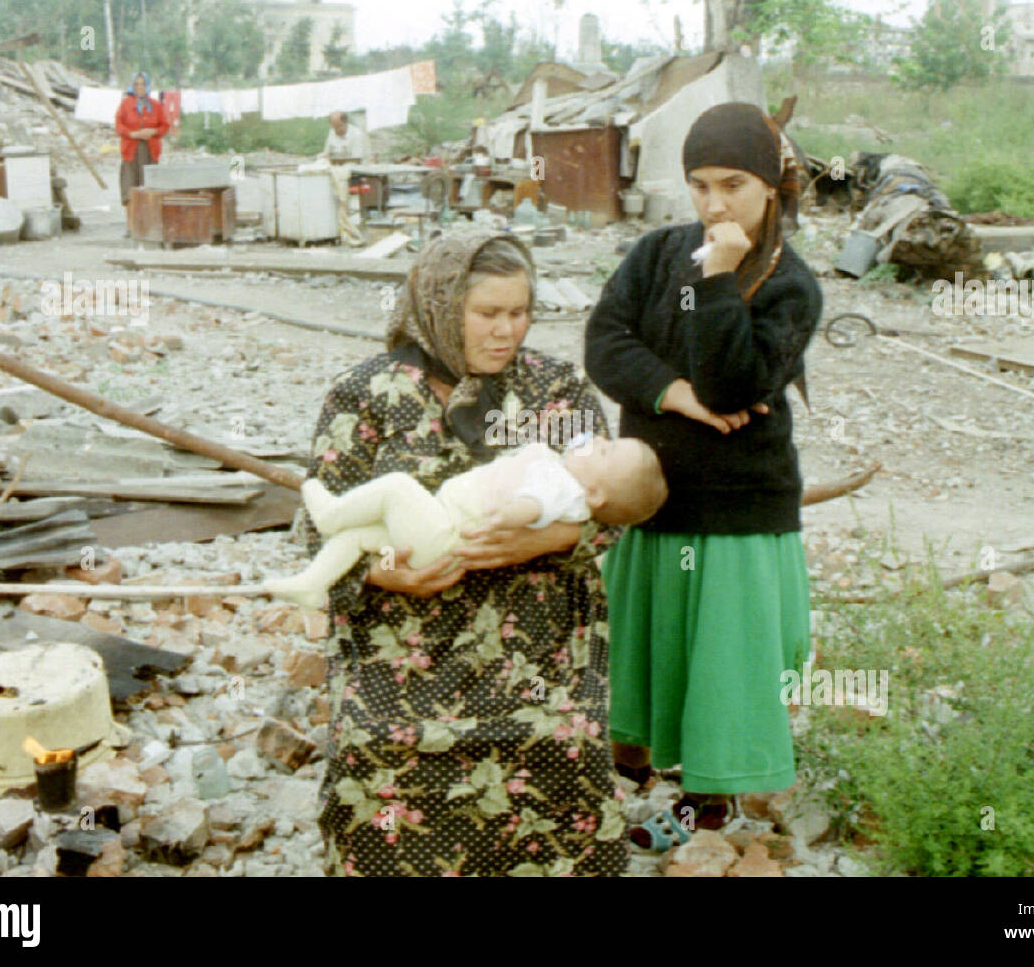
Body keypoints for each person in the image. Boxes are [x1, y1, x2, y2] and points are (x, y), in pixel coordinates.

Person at [303, 228, 630, 876]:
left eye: (519, 312)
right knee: (373, 760)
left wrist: (545, 535)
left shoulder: (556, 391)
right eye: (487, 313)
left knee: (566, 747)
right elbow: (319, 531)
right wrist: (397, 577)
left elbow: (615, 506)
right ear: (441, 305)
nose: (506, 330)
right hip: (403, 652)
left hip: (536, 651)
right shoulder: (366, 394)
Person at [583, 102, 822, 851]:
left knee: (722, 655)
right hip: (655, 492)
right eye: (699, 185)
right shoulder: (657, 255)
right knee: (648, 644)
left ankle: (707, 804)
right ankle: (628, 772)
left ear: (772, 187)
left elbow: (730, 380)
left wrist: (720, 277)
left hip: (739, 509)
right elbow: (604, 342)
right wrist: (671, 392)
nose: (715, 204)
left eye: (734, 185)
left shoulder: (792, 286)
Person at [265, 435, 666, 609]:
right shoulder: (570, 485)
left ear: (596, 494)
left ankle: (329, 514)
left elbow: (532, 506)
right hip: (430, 542)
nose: (597, 441)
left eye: (606, 451)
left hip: (444, 536)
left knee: (395, 488)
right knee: (358, 538)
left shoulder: (561, 486)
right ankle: (312, 586)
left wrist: (507, 519)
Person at [114, 71, 170, 209]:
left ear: (148, 86)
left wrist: (153, 131)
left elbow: (165, 126)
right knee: (130, 189)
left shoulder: (156, 105)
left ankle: (149, 224)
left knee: (150, 188)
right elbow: (118, 126)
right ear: (132, 86)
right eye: (136, 84)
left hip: (150, 152)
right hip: (130, 152)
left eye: (143, 84)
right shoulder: (125, 104)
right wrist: (132, 134)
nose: (140, 87)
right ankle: (131, 227)